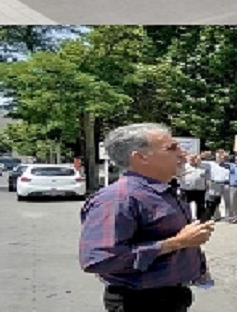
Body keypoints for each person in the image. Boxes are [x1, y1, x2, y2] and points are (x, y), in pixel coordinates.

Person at [79, 123, 213, 312]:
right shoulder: (119, 198)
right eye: (172, 148)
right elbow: (99, 260)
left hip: (173, 297)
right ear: (141, 157)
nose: (183, 154)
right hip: (140, 302)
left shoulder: (165, 191)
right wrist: (177, 243)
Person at [179, 154, 210, 222]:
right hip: (186, 189)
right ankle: (185, 220)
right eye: (191, 158)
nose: (192, 160)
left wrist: (207, 186)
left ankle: (201, 220)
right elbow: (177, 175)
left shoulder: (202, 167)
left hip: (200, 190)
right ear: (187, 159)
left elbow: (206, 178)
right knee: (184, 205)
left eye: (194, 158)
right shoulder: (183, 167)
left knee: (201, 206)